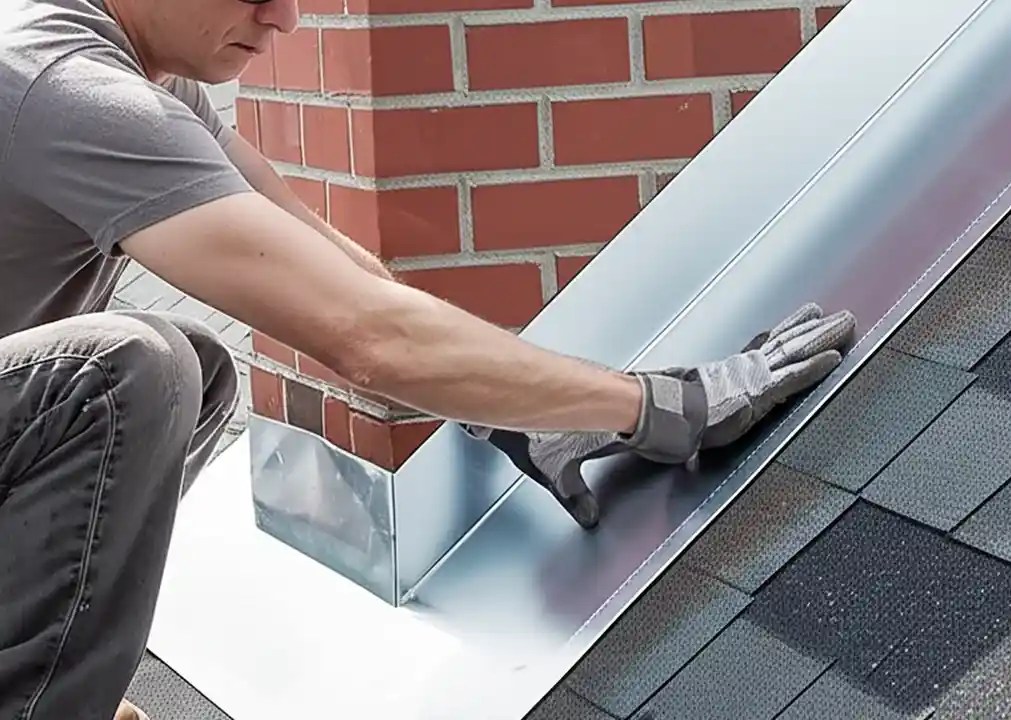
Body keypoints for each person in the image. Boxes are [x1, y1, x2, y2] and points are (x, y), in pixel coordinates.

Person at [0, 0, 858, 718]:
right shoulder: (66, 88)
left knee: (193, 366)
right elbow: (365, 335)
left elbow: (336, 272)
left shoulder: (137, 74)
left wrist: (529, 421)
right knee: (125, 376)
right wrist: (658, 406)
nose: (287, 17)